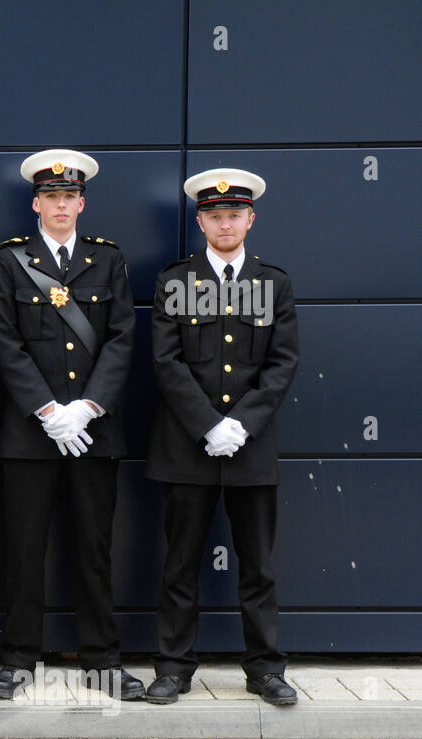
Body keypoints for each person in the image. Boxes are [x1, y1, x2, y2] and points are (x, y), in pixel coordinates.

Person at [0, 150, 145, 701]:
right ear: (35, 203)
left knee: (94, 548)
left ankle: (102, 659)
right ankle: (18, 660)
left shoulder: (108, 260)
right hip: (31, 433)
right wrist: (50, 411)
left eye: (69, 197)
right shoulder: (9, 262)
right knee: (24, 550)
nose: (60, 205)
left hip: (94, 432)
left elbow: (123, 337)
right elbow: (3, 341)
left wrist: (89, 406)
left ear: (82, 202)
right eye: (50, 197)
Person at [145, 168, 300, 705]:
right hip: (187, 446)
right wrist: (209, 424)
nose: (225, 222)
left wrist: (242, 424)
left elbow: (282, 363)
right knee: (180, 563)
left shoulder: (273, 283)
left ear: (250, 219)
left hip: (251, 448)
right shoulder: (174, 281)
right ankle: (173, 667)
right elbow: (166, 361)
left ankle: (265, 668)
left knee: (257, 565)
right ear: (201, 221)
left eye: (234, 214)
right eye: (215, 214)